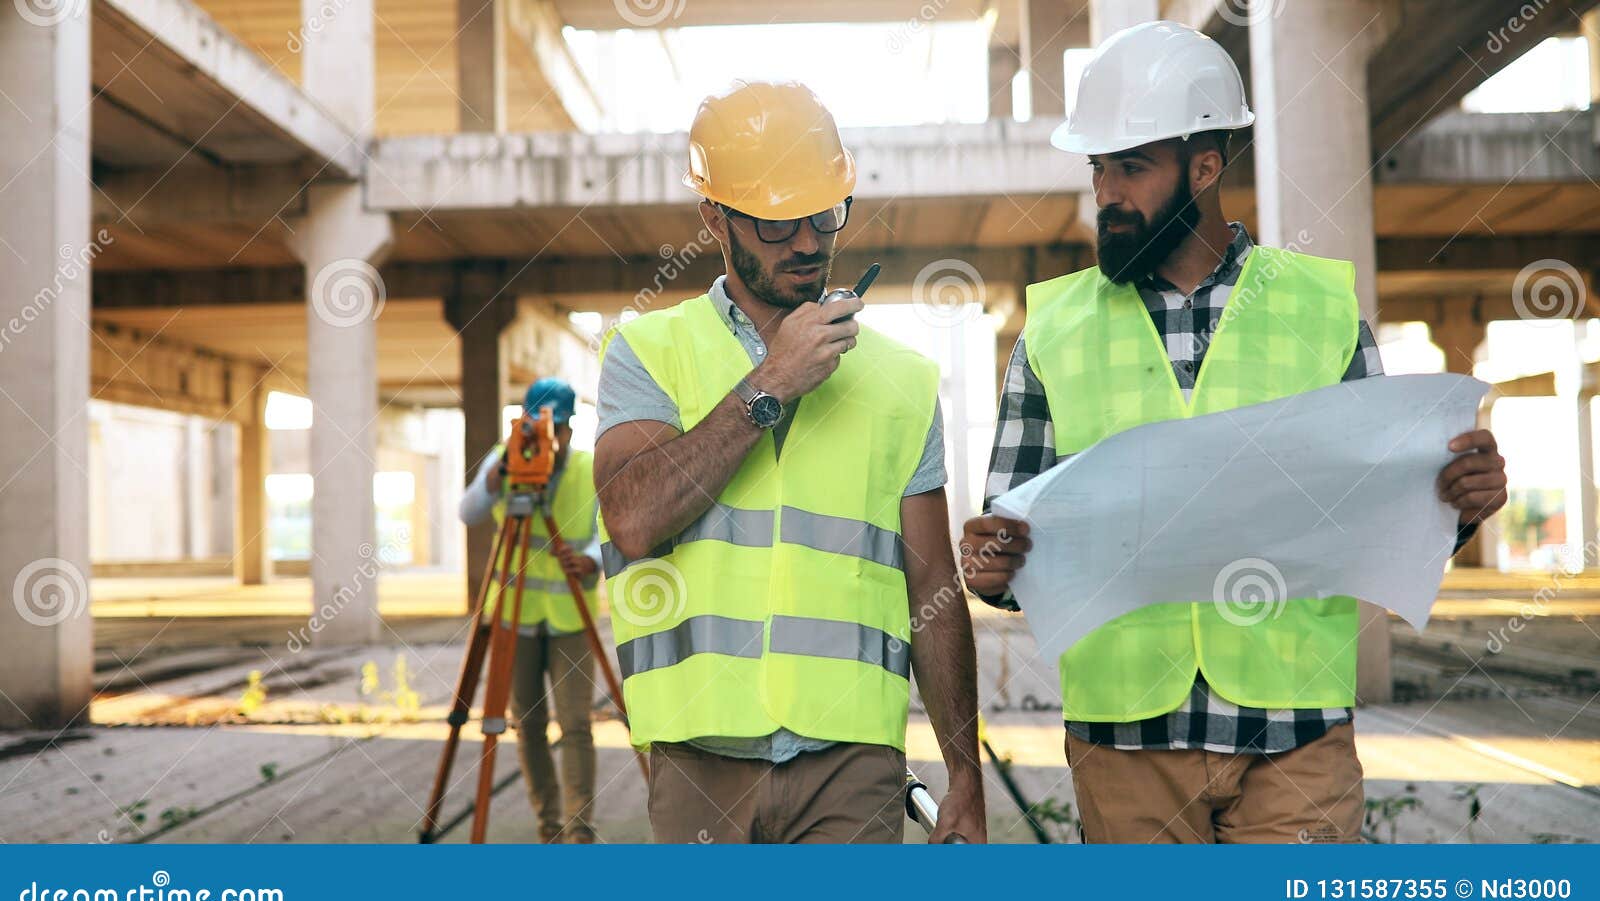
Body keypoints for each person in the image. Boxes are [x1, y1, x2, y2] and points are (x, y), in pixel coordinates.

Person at [959, 21, 1508, 844]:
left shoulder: (1319, 308)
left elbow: (1384, 508)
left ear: (1205, 166)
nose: (1106, 191)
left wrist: (1460, 504)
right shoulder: (1054, 328)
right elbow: (1010, 550)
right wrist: (991, 565)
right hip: (1125, 743)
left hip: (1294, 738)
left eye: (1132, 166)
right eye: (1099, 167)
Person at [593, 80, 986, 844]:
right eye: (776, 224)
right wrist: (770, 383)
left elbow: (933, 584)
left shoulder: (902, 381)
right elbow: (633, 520)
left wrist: (964, 773)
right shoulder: (647, 353)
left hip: (853, 766)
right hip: (697, 760)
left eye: (822, 213)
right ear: (715, 217)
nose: (807, 241)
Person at [458, 377, 602, 843]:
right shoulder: (505, 459)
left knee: (576, 725)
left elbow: (610, 530)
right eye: (541, 427)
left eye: (555, 429)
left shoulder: (590, 469)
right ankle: (550, 828)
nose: (548, 440)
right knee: (529, 724)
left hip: (569, 616)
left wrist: (592, 561)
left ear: (570, 430)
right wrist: (499, 476)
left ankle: (579, 834)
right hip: (513, 619)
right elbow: (469, 512)